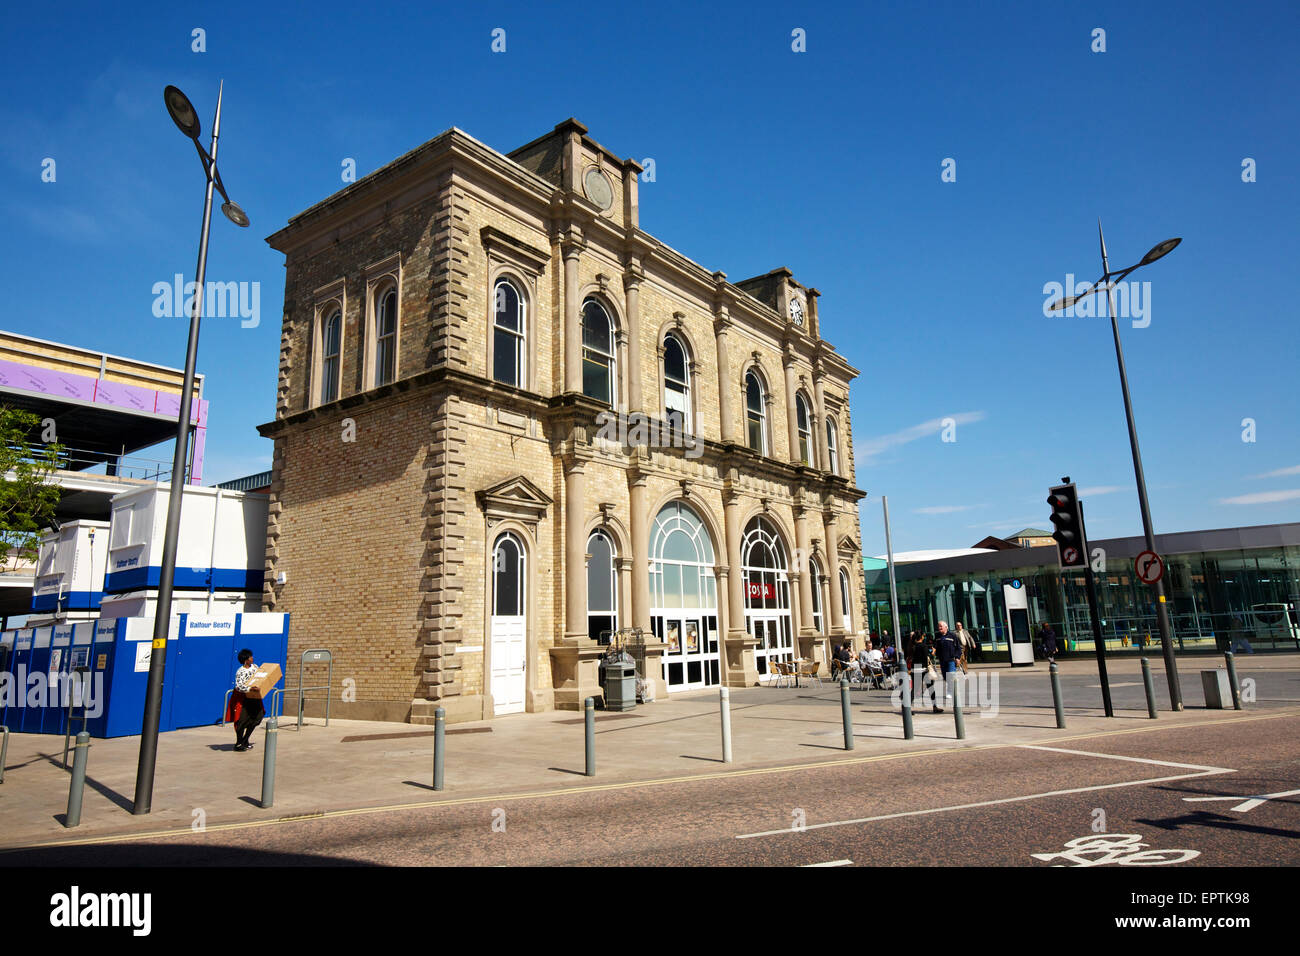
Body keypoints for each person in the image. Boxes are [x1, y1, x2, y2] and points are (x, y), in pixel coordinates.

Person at [232, 648, 265, 752]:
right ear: (246, 660)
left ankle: (245, 740)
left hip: (255, 696)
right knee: (242, 720)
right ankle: (238, 743)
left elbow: (261, 677)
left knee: (257, 718)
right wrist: (250, 688)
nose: (252, 658)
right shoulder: (240, 671)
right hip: (244, 698)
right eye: (250, 657)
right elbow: (238, 686)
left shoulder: (255, 667)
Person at [935, 621, 961, 706]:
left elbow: (958, 648)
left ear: (946, 627)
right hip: (942, 660)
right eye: (938, 627)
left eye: (941, 626)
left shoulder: (952, 636)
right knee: (945, 676)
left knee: (951, 675)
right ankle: (952, 687)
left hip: (951, 659)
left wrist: (957, 657)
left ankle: (950, 691)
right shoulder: (938, 637)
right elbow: (936, 647)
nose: (939, 628)